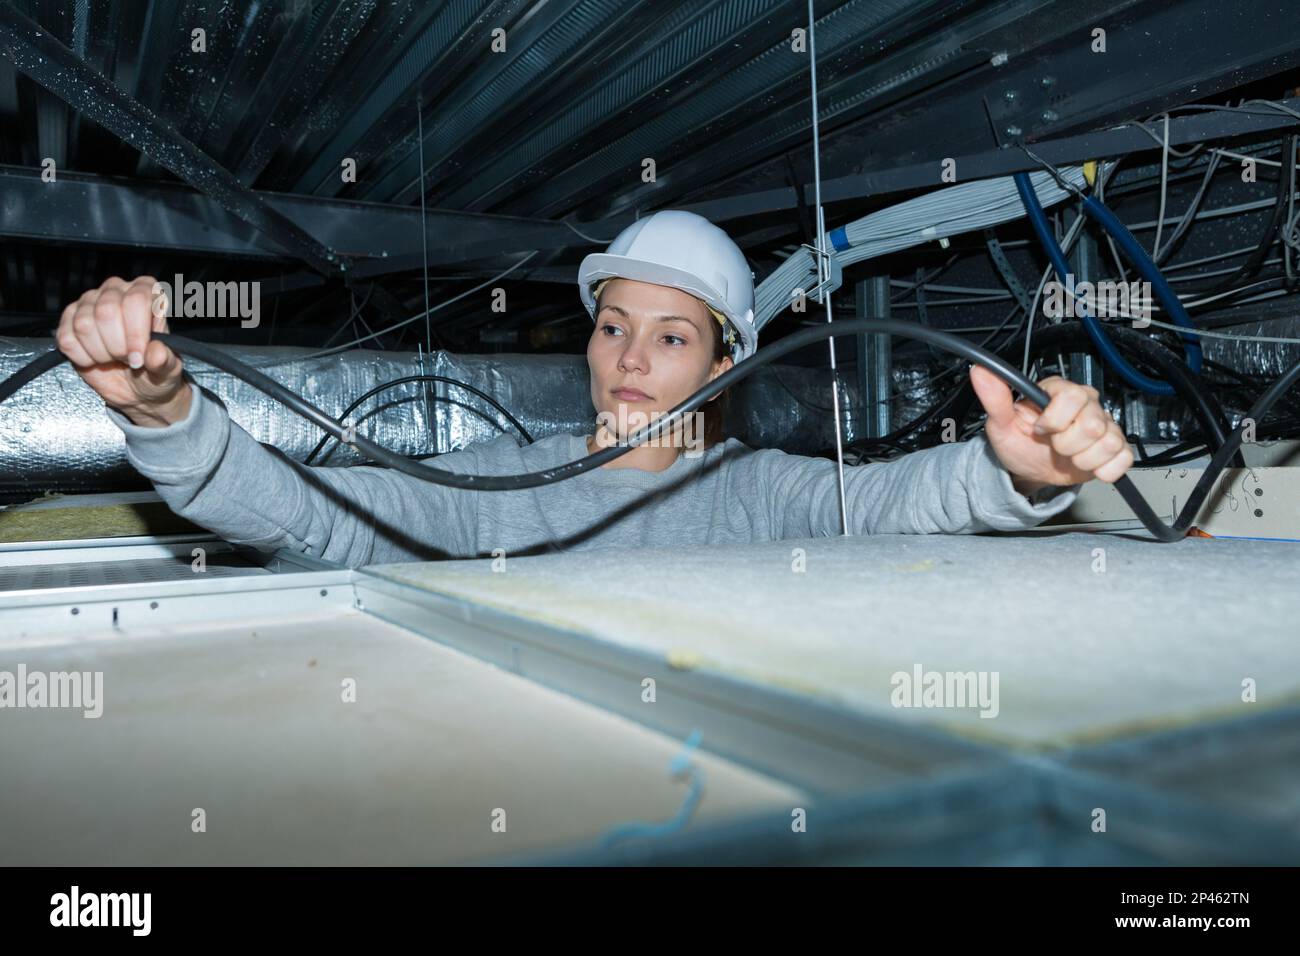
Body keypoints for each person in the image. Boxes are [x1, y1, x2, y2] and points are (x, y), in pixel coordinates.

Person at [54, 210, 1132, 568]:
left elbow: (898, 505)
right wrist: (167, 415)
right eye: (613, 325)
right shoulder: (499, 488)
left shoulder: (760, 494)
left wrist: (1010, 472)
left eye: (669, 336)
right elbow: (321, 522)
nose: (628, 356)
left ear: (725, 364)